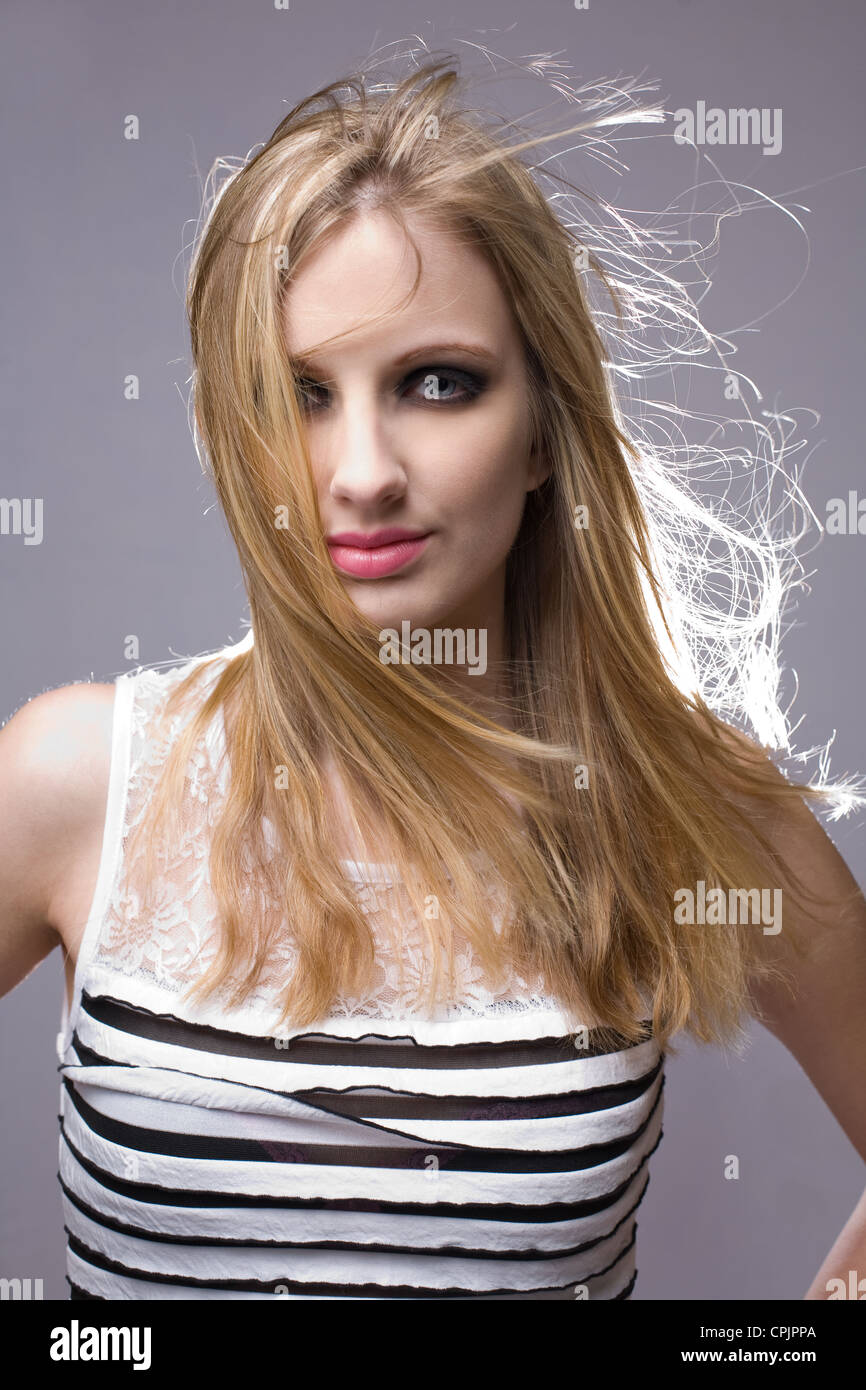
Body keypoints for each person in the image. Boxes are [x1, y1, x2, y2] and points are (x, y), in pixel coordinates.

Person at [1, 54, 864, 1302]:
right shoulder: (74, 782)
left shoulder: (691, 817)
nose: (360, 472)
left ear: (539, 435)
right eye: (297, 394)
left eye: (435, 383)